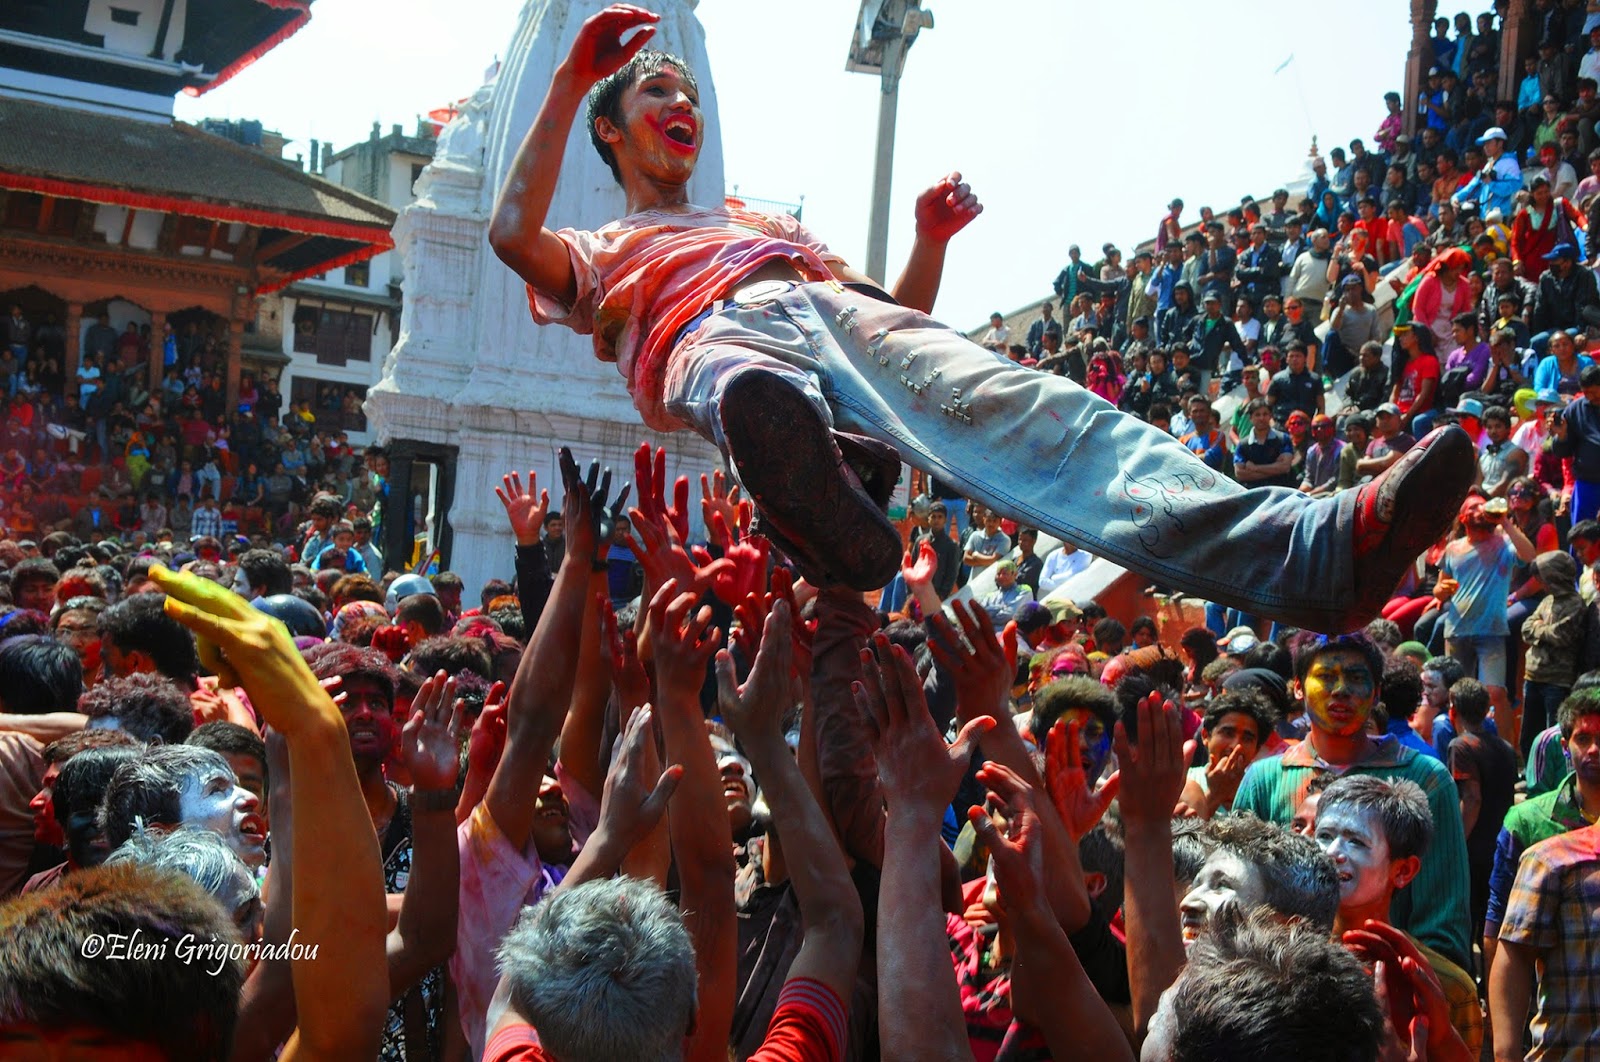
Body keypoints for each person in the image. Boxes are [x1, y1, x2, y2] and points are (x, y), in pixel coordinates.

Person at [487, 6, 1473, 632]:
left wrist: (929, 243)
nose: (680, 101)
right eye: (657, 89)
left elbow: (889, 336)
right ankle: (826, 514)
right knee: (747, 386)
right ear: (610, 131)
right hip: (710, 337)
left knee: (1043, 410)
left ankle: (1313, 550)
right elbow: (506, 232)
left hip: (824, 310)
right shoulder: (605, 247)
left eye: (688, 90)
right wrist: (572, 74)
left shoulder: (759, 221)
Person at [1232, 632, 1474, 967]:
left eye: (1356, 678)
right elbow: (1239, 903)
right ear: (1298, 687)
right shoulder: (1264, 780)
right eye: (1326, 677)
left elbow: (1443, 922)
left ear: (1376, 692)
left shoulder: (1425, 778)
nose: (1341, 689)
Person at [1312, 775, 1483, 1056]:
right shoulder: (1284, 958)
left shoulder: (1447, 988)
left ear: (1403, 871)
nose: (1332, 852)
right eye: (1325, 836)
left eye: (1356, 841)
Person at [1445, 676, 1519, 948]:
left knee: (1468, 922)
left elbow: (1472, 799)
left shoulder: (1461, 746)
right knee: (1491, 924)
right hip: (1501, 845)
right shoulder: (1506, 747)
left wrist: (1456, 844)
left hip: (1474, 851)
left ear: (1453, 709)